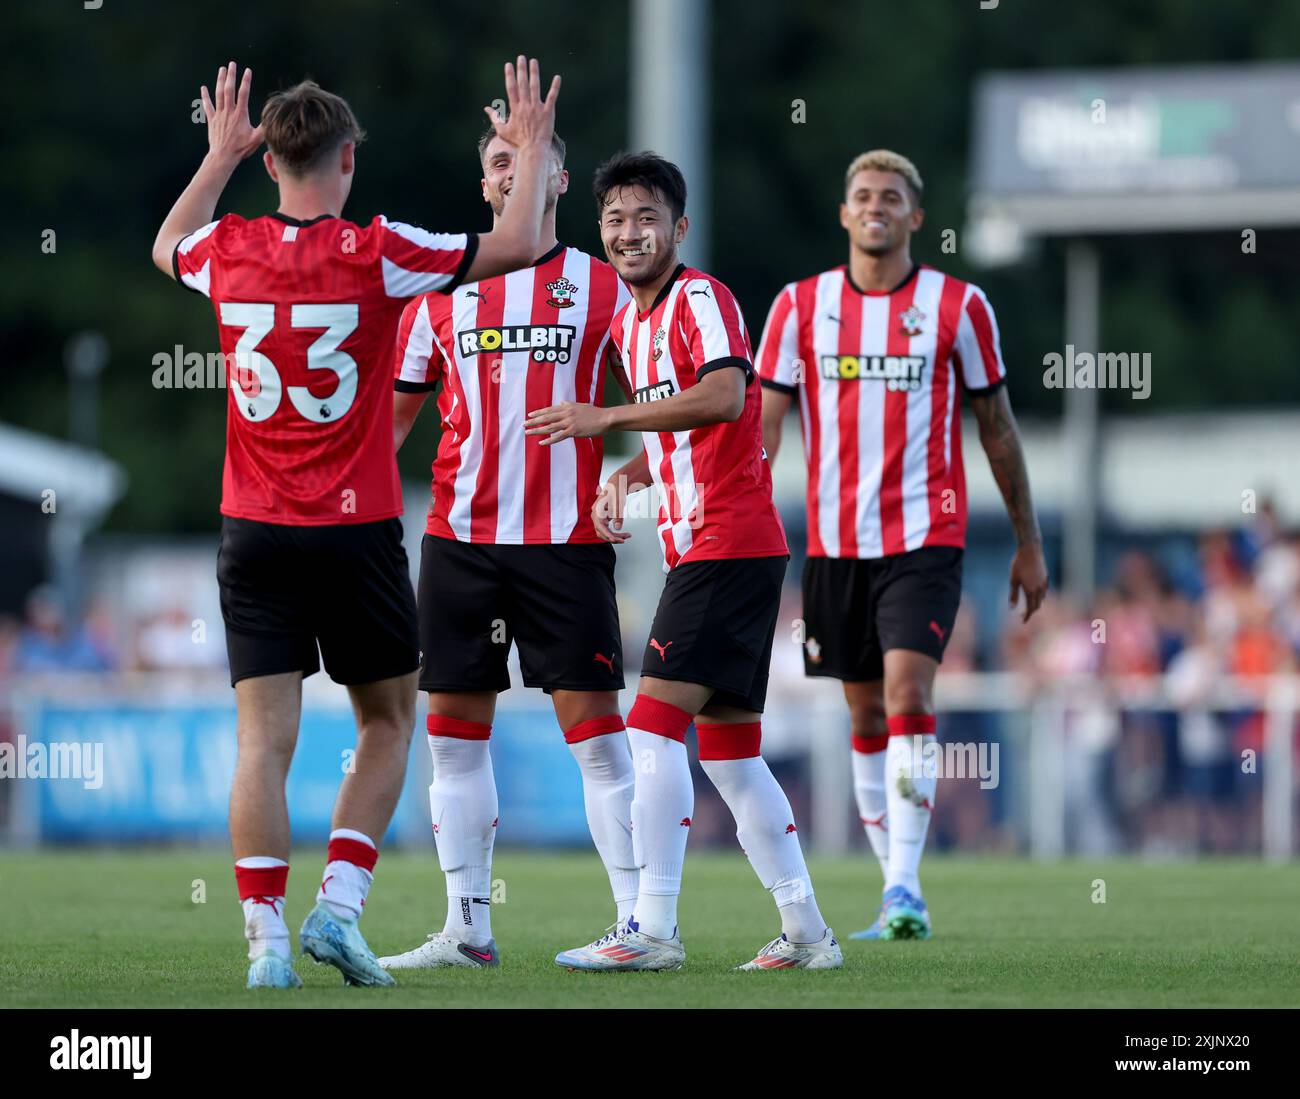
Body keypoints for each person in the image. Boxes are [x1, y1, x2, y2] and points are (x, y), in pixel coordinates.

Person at [150, 58, 560, 988]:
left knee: (263, 740)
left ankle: (264, 946)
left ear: (268, 163)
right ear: (347, 161)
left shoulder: (228, 251)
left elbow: (166, 242)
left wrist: (217, 154)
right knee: (386, 719)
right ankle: (337, 909)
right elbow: (515, 244)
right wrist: (529, 150)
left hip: (250, 527)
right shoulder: (378, 251)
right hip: (356, 527)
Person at [523, 153, 841, 971]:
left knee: (651, 730)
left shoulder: (701, 297)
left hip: (724, 542)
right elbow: (682, 424)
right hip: (721, 546)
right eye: (616, 221)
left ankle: (652, 927)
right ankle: (807, 931)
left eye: (646, 218)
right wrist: (627, 475)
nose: (630, 234)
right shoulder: (629, 323)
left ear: (679, 228)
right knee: (733, 757)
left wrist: (606, 419)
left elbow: (729, 395)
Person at [754, 149, 1048, 940]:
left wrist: (1029, 540)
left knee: (910, 694)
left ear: (916, 217)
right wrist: (734, 519)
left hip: (926, 536)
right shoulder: (797, 307)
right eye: (862, 195)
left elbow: (997, 426)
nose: (876, 204)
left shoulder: (960, 306)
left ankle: (905, 888)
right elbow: (766, 429)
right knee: (863, 710)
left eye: (892, 195)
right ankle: (894, 883)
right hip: (836, 544)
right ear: (845, 214)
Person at [378, 125, 636, 971]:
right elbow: (395, 424)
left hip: (564, 543)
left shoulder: (605, 290)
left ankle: (638, 921)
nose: (512, 172)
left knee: (597, 736)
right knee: (451, 737)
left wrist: (632, 474)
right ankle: (467, 927)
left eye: (526, 158)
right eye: (498, 159)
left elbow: (662, 401)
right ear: (485, 183)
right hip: (461, 542)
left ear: (559, 178)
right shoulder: (436, 295)